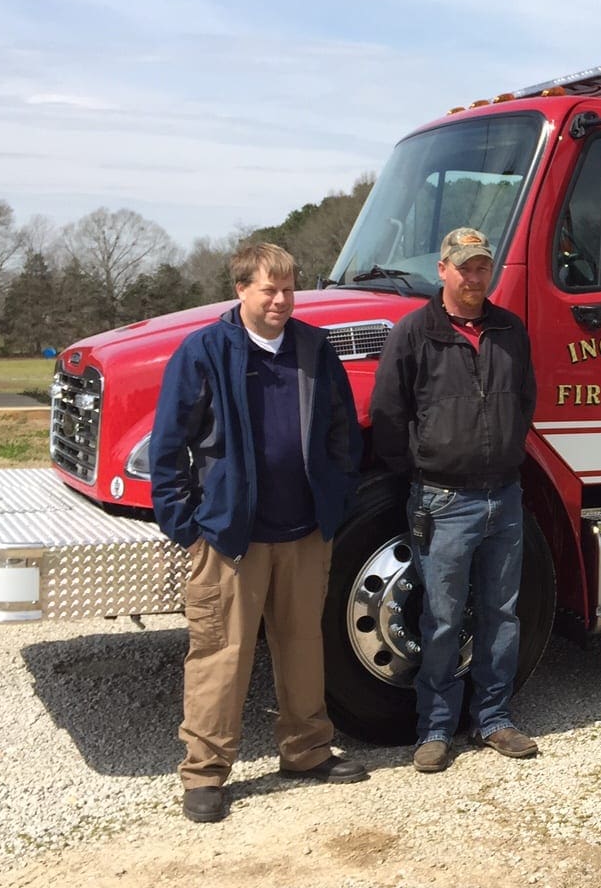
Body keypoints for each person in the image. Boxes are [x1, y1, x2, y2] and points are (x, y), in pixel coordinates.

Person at [151, 242, 365, 824]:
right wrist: (187, 527)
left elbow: (343, 435)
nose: (280, 300)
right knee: (221, 654)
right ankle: (205, 774)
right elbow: (169, 448)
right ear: (241, 289)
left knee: (303, 647)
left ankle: (307, 752)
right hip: (229, 539)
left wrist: (335, 500)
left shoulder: (314, 349)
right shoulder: (205, 352)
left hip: (303, 534)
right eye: (268, 289)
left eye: (288, 288)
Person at [370, 227, 539, 771]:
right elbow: (389, 414)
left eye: (482, 267)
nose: (474, 277)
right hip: (443, 500)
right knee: (441, 618)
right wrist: (420, 471)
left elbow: (525, 398)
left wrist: (505, 449)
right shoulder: (414, 331)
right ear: (442, 269)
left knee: (502, 613)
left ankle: (494, 719)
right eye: (464, 266)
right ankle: (436, 729)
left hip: (504, 496)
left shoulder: (510, 329)